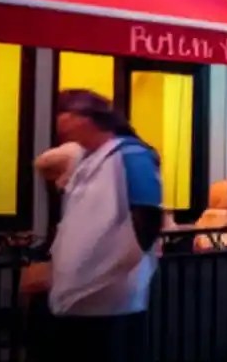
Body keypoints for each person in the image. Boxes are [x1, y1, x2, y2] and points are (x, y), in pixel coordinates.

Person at [21, 90, 162, 361]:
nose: (59, 121)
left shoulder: (132, 155)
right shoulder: (87, 160)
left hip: (109, 302)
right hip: (76, 298)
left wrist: (100, 273)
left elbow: (147, 219)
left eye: (64, 112)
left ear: (84, 118)